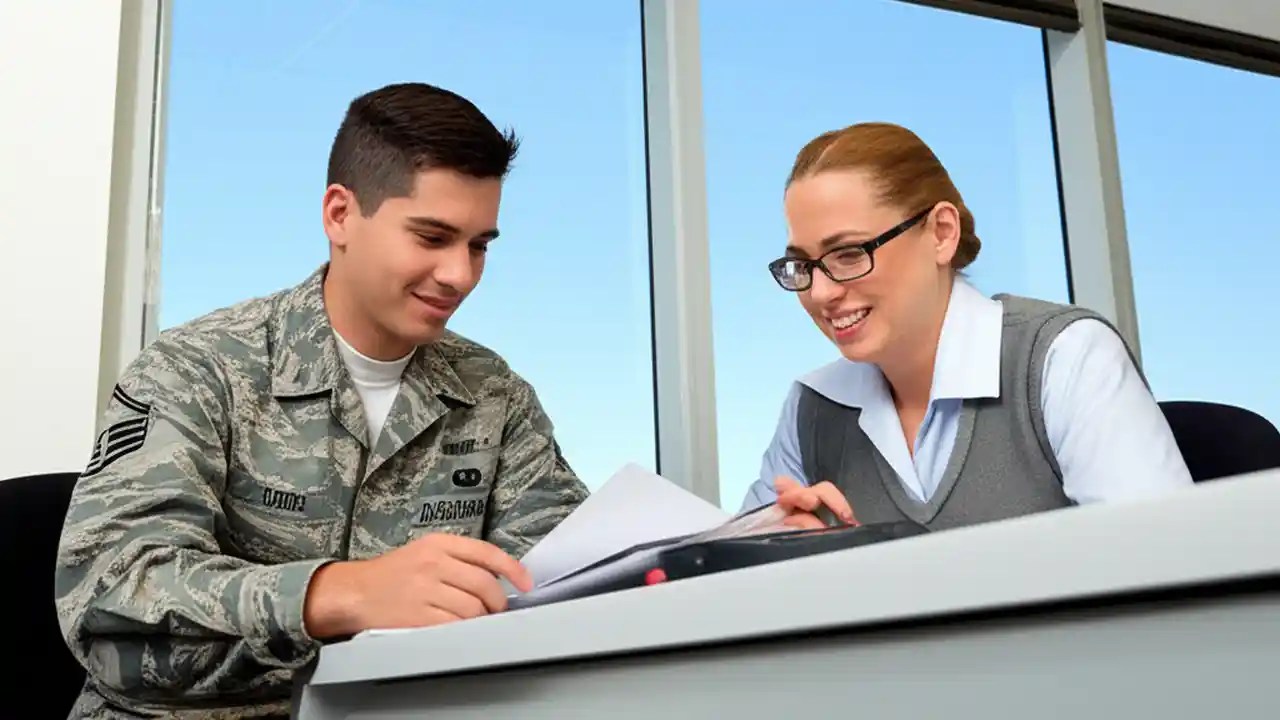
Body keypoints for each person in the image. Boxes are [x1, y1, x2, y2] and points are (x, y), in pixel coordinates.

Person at [54, 83, 591, 719]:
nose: (461, 275)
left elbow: (568, 578)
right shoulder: (198, 370)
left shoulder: (493, 396)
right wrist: (340, 595)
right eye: (431, 237)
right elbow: (111, 594)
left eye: (479, 245)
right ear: (340, 214)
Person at [743, 122, 1193, 530]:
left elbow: (1170, 572)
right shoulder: (813, 408)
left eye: (849, 253)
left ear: (941, 233)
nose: (820, 293)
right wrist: (779, 561)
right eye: (801, 264)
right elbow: (723, 587)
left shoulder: (1065, 358)